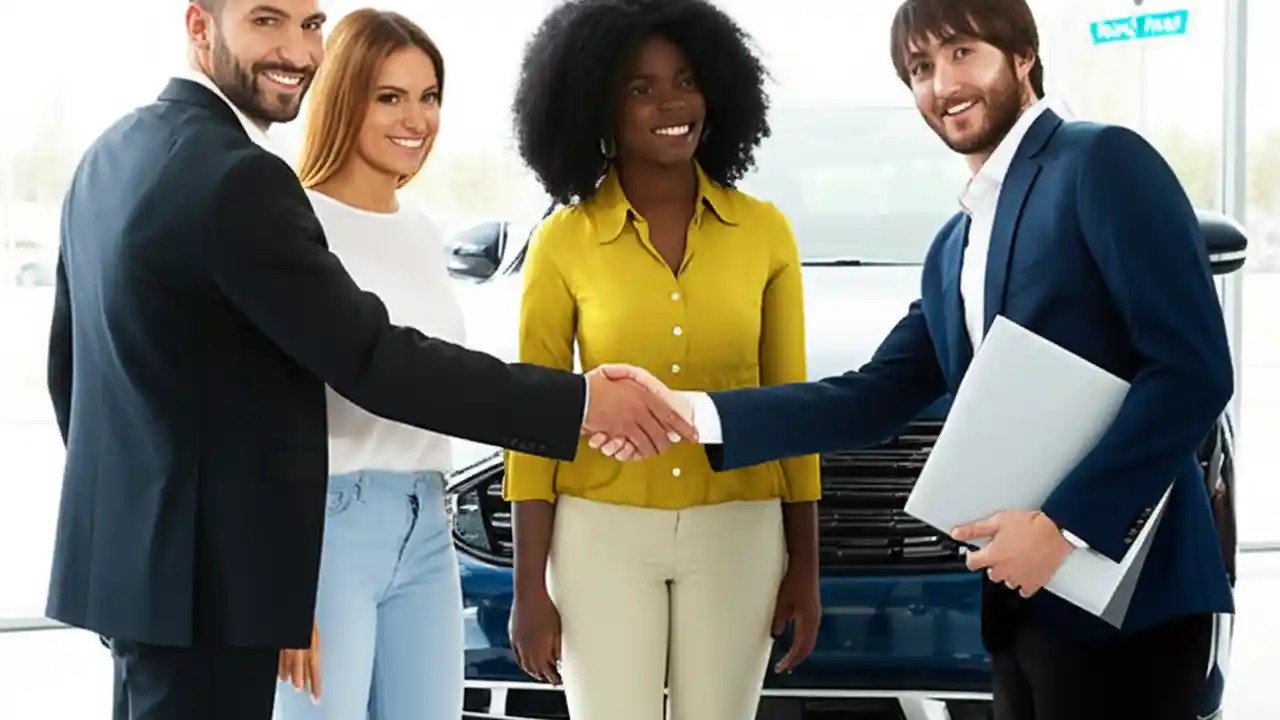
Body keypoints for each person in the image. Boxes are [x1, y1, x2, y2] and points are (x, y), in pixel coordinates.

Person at [43, 1, 694, 718]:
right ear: (201, 27)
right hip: (219, 584)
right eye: (267, 21)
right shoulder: (237, 178)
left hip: (148, 580)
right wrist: (578, 404)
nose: (296, 49)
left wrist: (143, 539)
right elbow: (373, 359)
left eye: (312, 24)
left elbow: (72, 376)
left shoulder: (112, 153)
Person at [598, 0, 1234, 717]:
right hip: (1024, 602)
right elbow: (870, 396)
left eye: (963, 53)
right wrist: (692, 413)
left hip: (1127, 599)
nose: (941, 84)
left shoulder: (1100, 162)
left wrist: (1065, 525)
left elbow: (1193, 370)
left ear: (1022, 55)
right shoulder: (954, 247)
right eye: (920, 68)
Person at [504, 2, 821, 719]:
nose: (671, 104)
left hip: (739, 531)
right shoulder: (563, 242)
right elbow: (533, 420)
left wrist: (805, 565)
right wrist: (531, 588)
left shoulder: (764, 233)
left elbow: (792, 407)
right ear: (595, 106)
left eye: (685, 81)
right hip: (600, 533)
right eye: (639, 88)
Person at [265, 9, 468, 719]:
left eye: (429, 95)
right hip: (327, 528)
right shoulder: (295, 222)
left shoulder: (421, 233)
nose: (416, 118)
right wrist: (284, 588)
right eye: (390, 96)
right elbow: (257, 410)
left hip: (427, 526)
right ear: (345, 95)